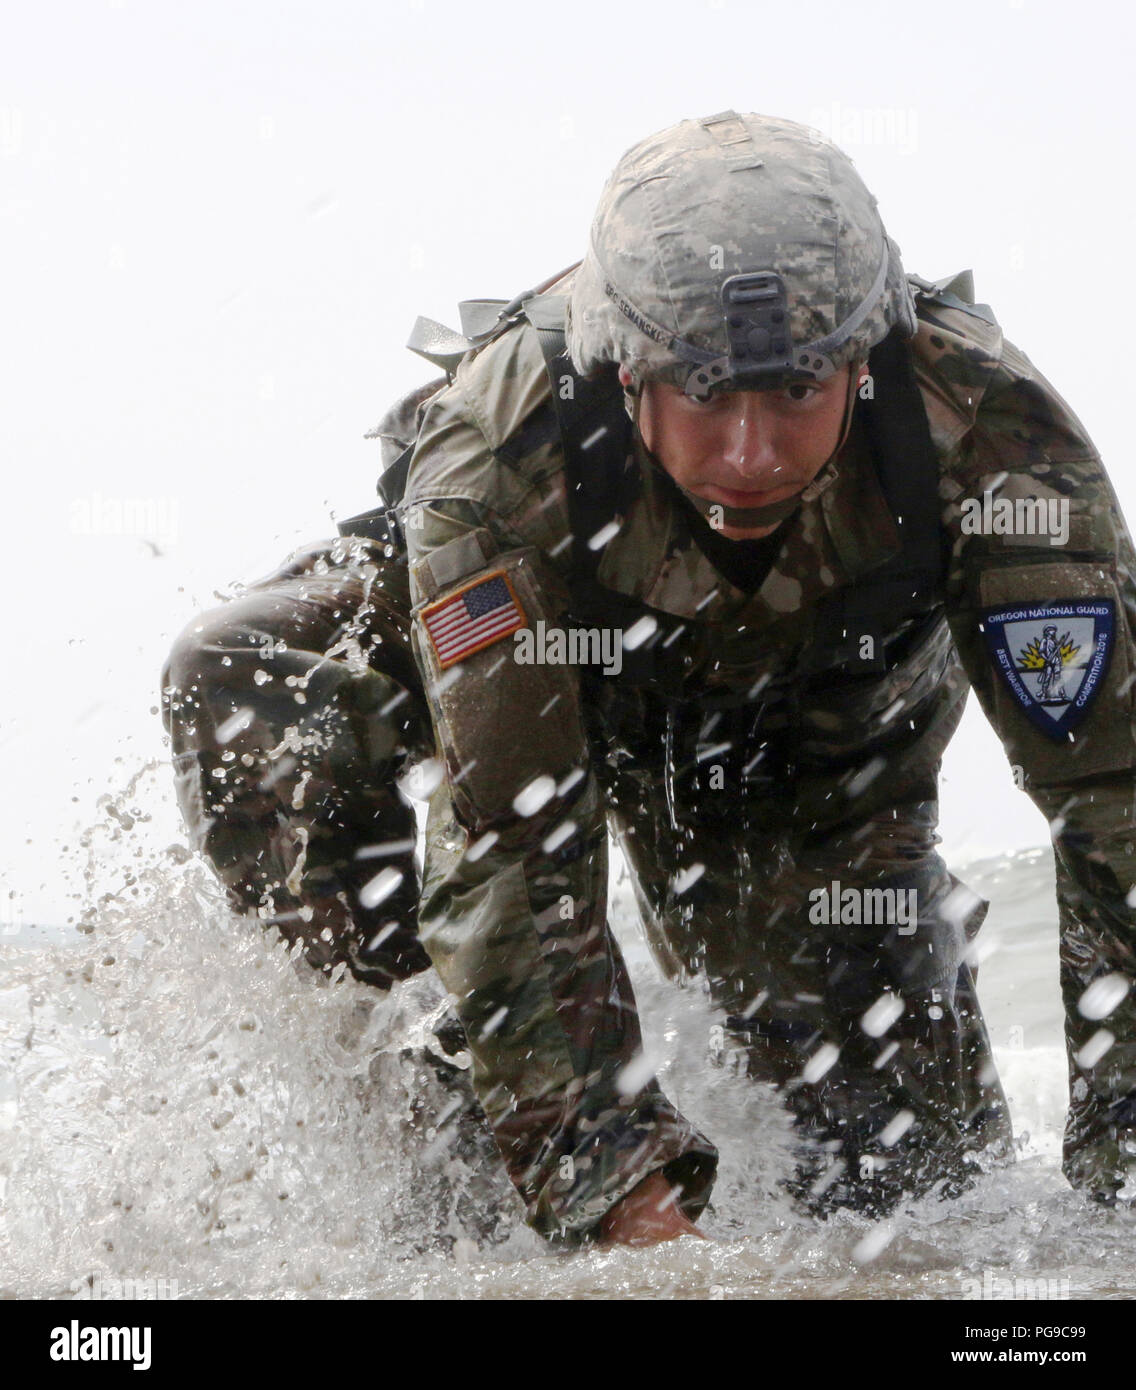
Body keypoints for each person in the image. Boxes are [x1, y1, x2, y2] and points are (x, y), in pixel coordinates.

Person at [161, 110, 1136, 1248]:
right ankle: (431, 1090)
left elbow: (1115, 798)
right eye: (706, 396)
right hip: (531, 687)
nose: (749, 453)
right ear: (624, 371)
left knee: (903, 1197)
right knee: (242, 677)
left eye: (796, 394)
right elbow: (511, 842)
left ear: (864, 362)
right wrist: (619, 1198)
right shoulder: (503, 448)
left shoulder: (987, 426)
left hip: (812, 765)